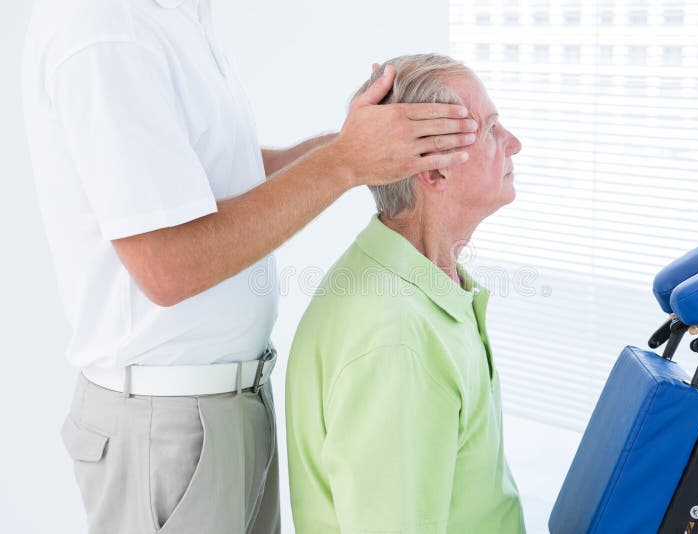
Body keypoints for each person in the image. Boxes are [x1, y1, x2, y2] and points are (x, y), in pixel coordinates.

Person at [20, 0, 478, 532]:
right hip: (167, 427)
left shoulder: (180, 18)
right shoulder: (104, 28)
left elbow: (218, 180)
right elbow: (168, 268)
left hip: (231, 406)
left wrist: (364, 143)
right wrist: (346, 160)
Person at [286, 54, 526, 533]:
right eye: (492, 128)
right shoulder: (397, 340)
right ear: (433, 171)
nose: (514, 144)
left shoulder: (430, 289)